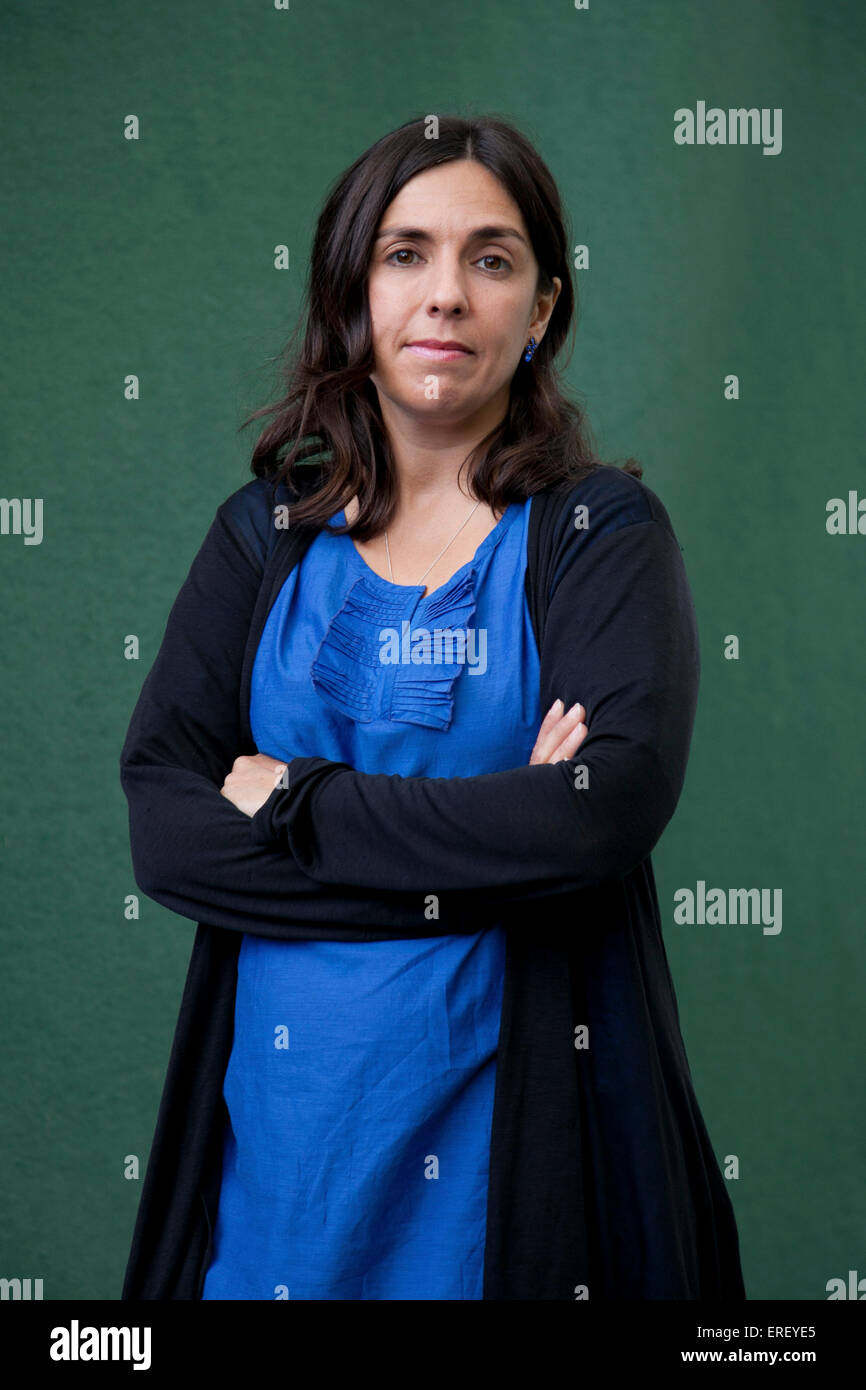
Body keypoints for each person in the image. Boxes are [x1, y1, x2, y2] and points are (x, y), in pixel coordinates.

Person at [120, 113, 746, 1301]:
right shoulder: (261, 537)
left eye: (491, 258)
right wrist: (497, 835)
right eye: (404, 253)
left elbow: (596, 817)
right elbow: (164, 828)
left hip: (511, 1185)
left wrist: (295, 796)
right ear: (352, 290)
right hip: (281, 1170)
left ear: (543, 310)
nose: (445, 294)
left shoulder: (600, 537)